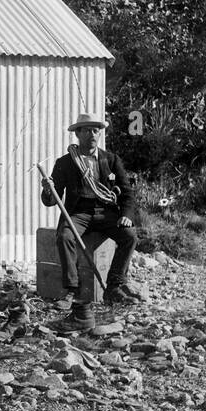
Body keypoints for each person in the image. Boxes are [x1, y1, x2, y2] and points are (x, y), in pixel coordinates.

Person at [39, 112, 143, 333]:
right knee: (65, 236)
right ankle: (72, 290)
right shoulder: (65, 163)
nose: (92, 134)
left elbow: (127, 192)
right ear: (77, 134)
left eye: (96, 130)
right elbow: (51, 200)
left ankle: (114, 285)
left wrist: (126, 214)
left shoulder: (110, 160)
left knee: (129, 236)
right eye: (87, 130)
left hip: (106, 212)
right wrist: (47, 189)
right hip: (79, 213)